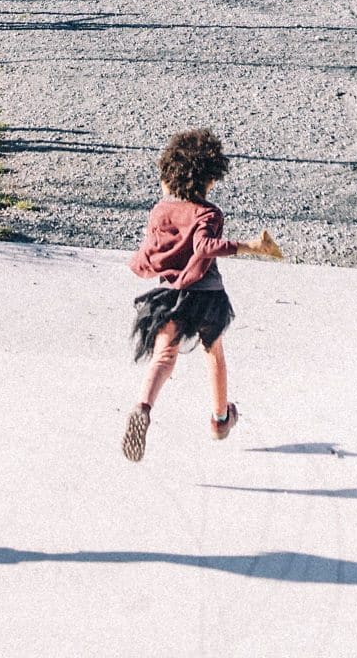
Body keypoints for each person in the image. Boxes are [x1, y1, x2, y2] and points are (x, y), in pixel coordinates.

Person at [121, 129, 278, 463]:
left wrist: (143, 262)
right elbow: (204, 246)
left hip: (169, 296)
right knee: (213, 354)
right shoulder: (208, 213)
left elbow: (155, 248)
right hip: (206, 297)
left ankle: (143, 407)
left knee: (163, 358)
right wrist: (249, 246)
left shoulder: (160, 211)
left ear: (170, 177)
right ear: (209, 181)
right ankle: (220, 419)